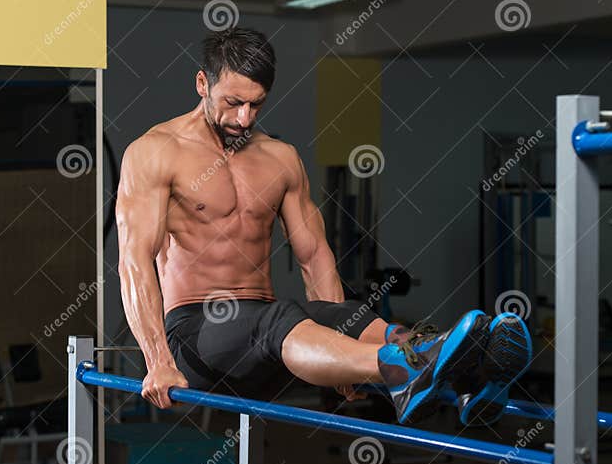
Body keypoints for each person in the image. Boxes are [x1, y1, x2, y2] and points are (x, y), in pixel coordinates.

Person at [116, 26, 531, 426]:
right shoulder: (156, 152)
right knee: (279, 317)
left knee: (345, 314)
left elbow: (314, 254)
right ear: (202, 83)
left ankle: (467, 379)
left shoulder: (280, 158)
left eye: (256, 105)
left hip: (268, 341)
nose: (244, 118)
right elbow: (133, 262)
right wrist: (158, 361)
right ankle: (404, 369)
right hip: (196, 339)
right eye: (233, 102)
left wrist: (343, 355)